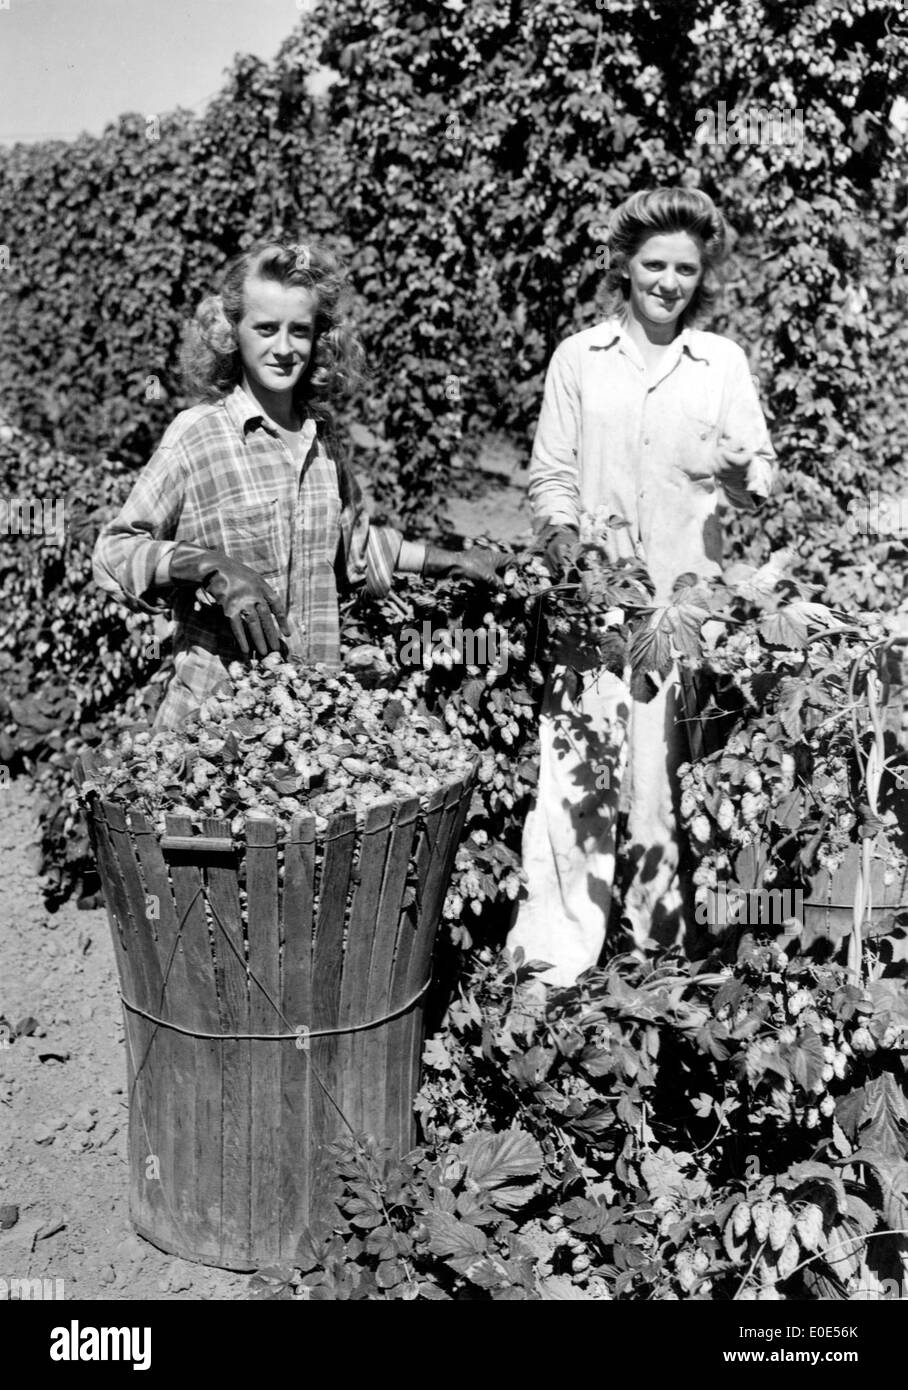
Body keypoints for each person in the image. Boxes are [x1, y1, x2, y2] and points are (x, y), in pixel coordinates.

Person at [507, 187, 776, 985]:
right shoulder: (579, 359)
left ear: (702, 276)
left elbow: (760, 477)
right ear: (623, 266)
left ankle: (655, 958)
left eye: (685, 269)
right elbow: (550, 475)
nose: (668, 281)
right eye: (654, 264)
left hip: (684, 617)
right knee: (573, 786)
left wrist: (742, 474)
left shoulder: (721, 364)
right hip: (594, 607)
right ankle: (551, 965)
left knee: (659, 790)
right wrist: (563, 543)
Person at [93, 240, 499, 729]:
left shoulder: (321, 441)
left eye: (299, 332)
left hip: (306, 724)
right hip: (212, 733)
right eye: (265, 329)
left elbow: (354, 548)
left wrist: (453, 561)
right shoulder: (198, 435)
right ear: (232, 334)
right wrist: (209, 566)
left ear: (319, 340)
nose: (283, 349)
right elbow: (114, 551)